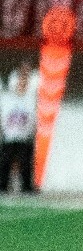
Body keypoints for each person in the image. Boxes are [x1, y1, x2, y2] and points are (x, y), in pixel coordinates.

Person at [0, 63, 33, 194]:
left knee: (25, 162)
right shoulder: (7, 98)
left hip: (24, 135)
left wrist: (29, 132)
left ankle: (26, 187)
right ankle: (2, 185)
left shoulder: (29, 98)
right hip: (9, 135)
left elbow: (31, 118)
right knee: (5, 161)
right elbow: (4, 116)